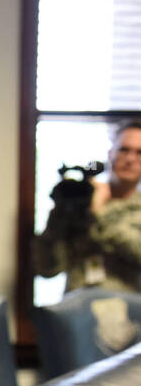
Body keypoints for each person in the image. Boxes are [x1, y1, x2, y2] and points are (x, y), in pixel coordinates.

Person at [33, 120, 141, 292]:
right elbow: (47, 268)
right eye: (123, 149)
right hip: (78, 310)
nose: (130, 159)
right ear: (110, 154)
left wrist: (100, 211)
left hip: (128, 311)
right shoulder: (82, 202)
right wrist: (60, 212)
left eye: (139, 152)